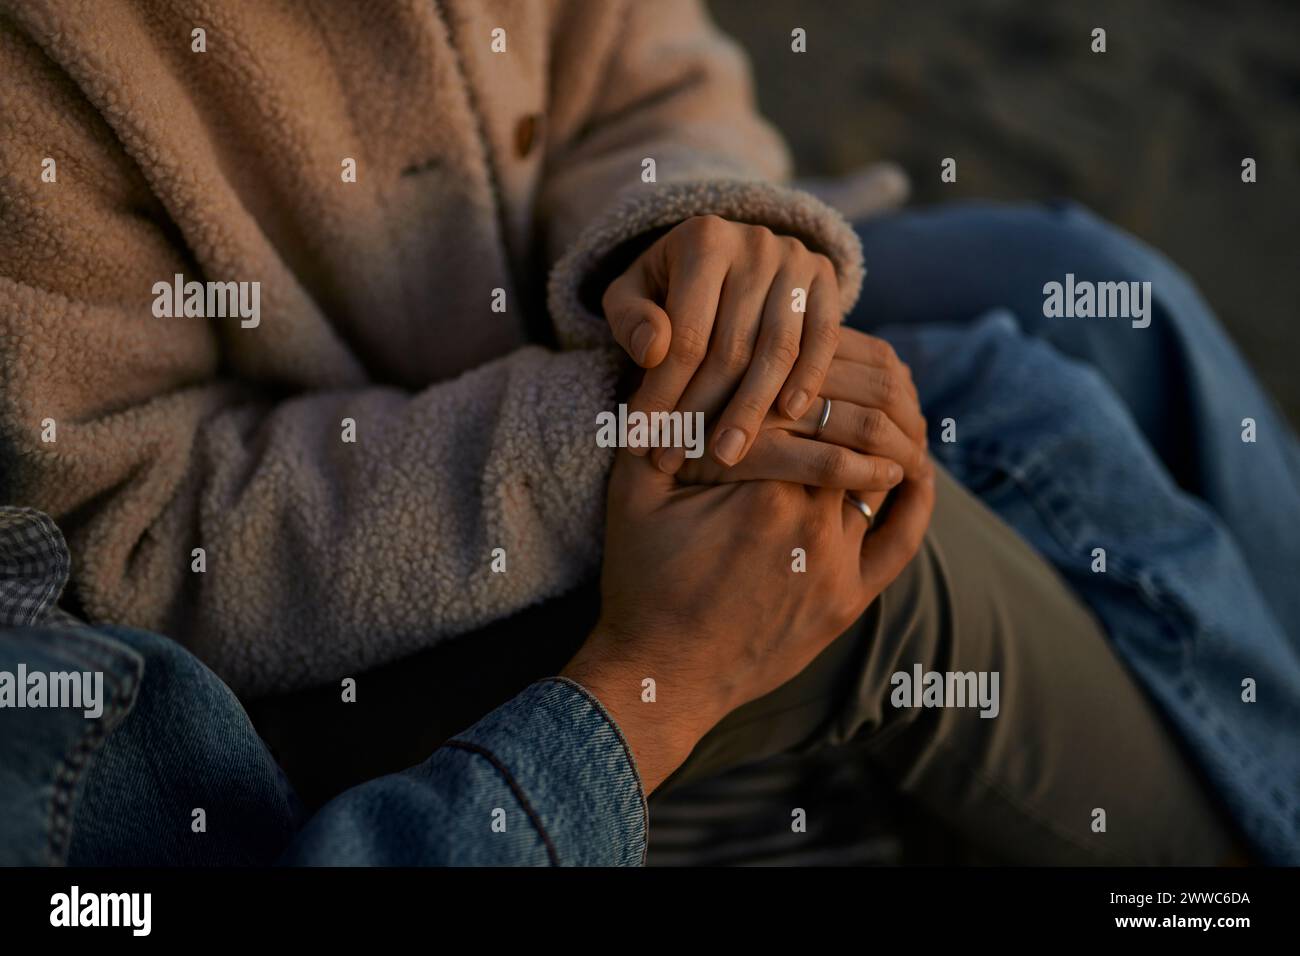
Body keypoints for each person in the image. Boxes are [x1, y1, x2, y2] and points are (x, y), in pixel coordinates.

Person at [1, 0, 1295, 864]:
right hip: (356, 607)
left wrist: (695, 224)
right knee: (882, 527)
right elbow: (133, 525)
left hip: (579, 344)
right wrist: (625, 421)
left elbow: (650, 69)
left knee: (1095, 296)